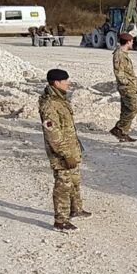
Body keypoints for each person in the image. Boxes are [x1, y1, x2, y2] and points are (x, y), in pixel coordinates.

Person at [39, 68, 90, 231]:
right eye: (65, 81)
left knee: (74, 180)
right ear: (56, 83)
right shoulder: (50, 105)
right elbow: (53, 133)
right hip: (61, 153)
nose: (68, 83)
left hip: (70, 149)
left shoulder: (60, 100)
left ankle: (76, 209)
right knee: (63, 184)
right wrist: (66, 154)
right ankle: (60, 221)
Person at [111, 30, 137, 141]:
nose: (132, 43)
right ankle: (119, 128)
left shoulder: (123, 54)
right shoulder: (119, 55)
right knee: (133, 109)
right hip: (126, 87)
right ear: (128, 42)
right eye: (132, 41)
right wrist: (127, 83)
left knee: (126, 109)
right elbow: (119, 72)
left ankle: (123, 133)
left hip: (129, 85)